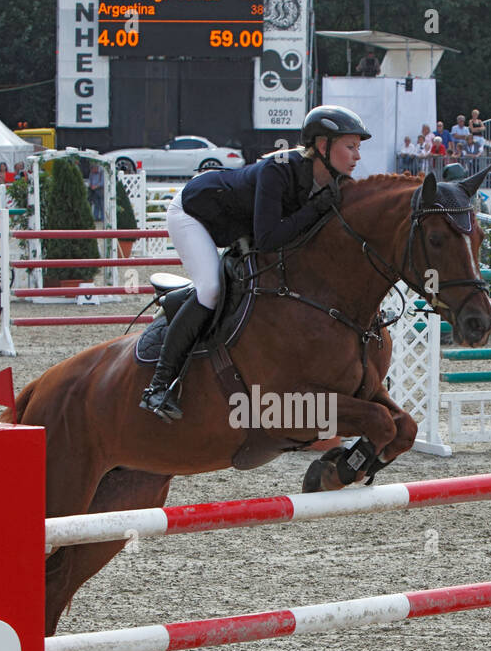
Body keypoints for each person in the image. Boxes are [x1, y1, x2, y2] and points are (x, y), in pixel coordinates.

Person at [141, 105, 368, 421]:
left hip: (235, 223)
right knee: (210, 290)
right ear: (322, 146)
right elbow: (269, 238)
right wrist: (315, 210)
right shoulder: (279, 169)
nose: (358, 156)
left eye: (358, 147)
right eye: (351, 146)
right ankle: (159, 386)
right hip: (194, 212)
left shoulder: (334, 183)